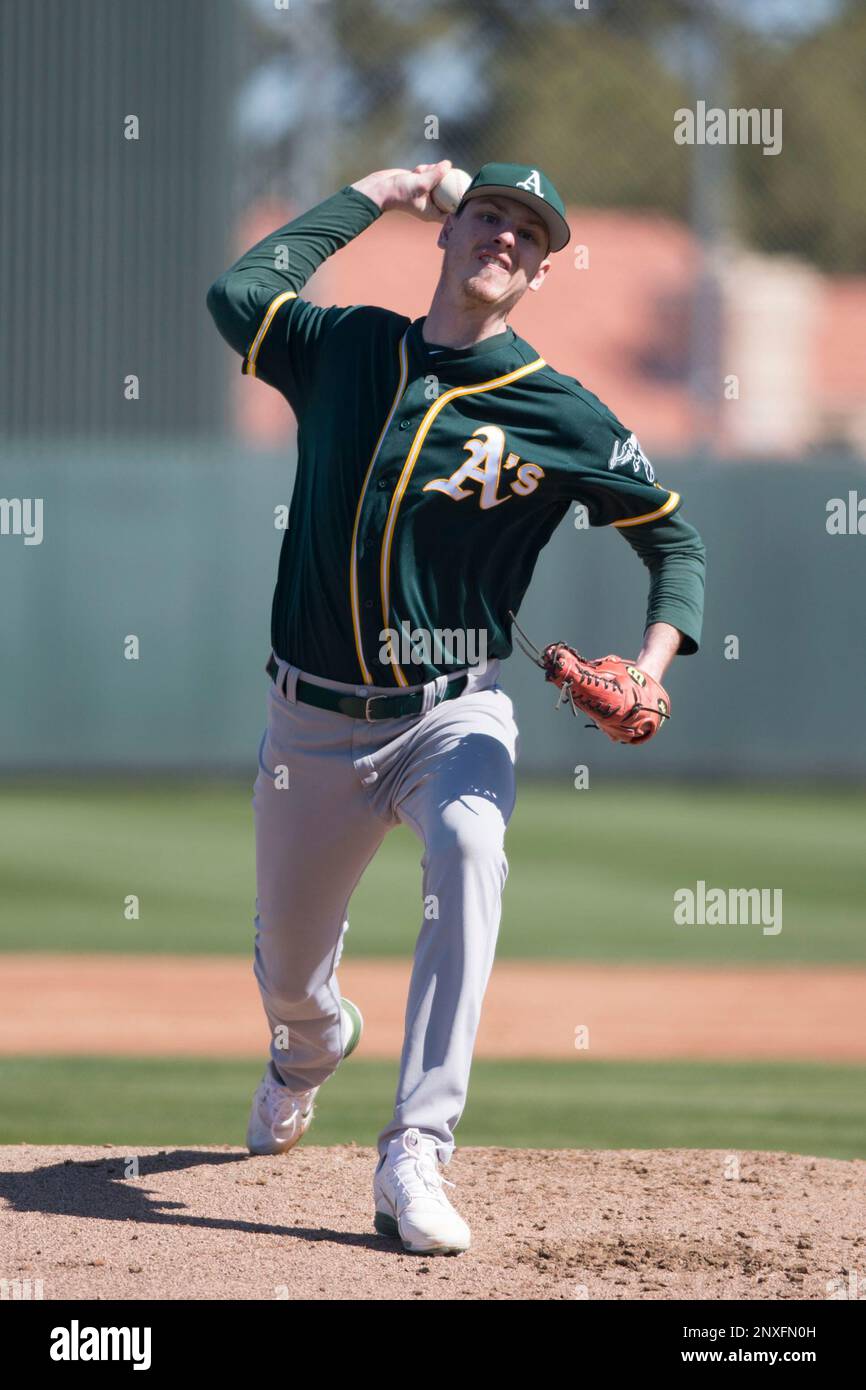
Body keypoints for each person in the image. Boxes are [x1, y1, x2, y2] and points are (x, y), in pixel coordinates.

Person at [206, 159, 706, 1256]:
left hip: (450, 714)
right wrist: (373, 191)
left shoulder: (555, 409)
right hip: (308, 725)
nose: (504, 237)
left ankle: (415, 1151)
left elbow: (672, 541)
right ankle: (306, 1048)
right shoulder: (343, 349)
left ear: (537, 267)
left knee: (472, 845)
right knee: (291, 974)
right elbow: (237, 296)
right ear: (448, 231)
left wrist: (652, 661)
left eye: (528, 232)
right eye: (488, 213)